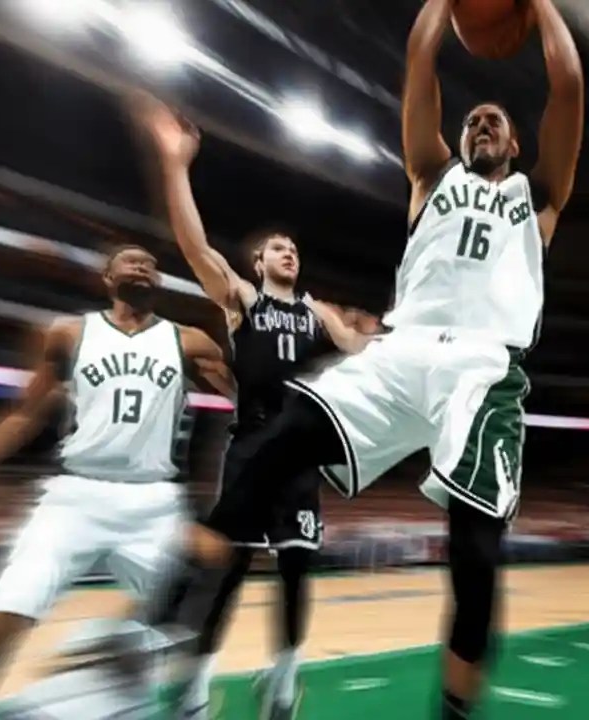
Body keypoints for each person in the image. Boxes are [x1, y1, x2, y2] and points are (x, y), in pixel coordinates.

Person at [149, 1, 583, 717]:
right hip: (404, 348)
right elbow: (419, 62)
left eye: (494, 121)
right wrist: (444, 6)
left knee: (474, 565)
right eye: (472, 118)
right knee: (274, 445)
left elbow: (567, 87)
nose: (480, 123)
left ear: (515, 143)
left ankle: (452, 712)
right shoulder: (428, 176)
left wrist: (536, 8)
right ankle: (154, 624)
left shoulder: (538, 200)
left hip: (481, 369)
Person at [0, 245, 234, 720]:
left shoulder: (189, 341)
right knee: (6, 617)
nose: (142, 265)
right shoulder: (68, 333)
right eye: (129, 260)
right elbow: (23, 415)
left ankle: (151, 671)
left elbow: (250, 397)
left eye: (150, 263)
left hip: (154, 498)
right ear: (108, 277)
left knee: (214, 560)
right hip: (76, 494)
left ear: (158, 283)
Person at [126, 95, 369, 719]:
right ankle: (197, 683)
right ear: (258, 264)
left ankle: (283, 682)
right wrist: (176, 166)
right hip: (252, 444)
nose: (289, 251)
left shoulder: (319, 312)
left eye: (294, 247)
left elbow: (363, 348)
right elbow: (194, 245)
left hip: (301, 455)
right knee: (228, 572)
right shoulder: (241, 302)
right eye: (277, 248)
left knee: (295, 572)